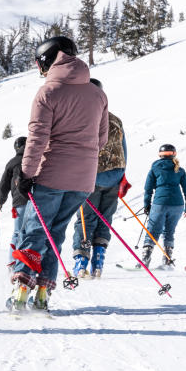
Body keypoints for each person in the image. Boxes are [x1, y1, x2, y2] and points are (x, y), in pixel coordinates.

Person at [9, 36, 110, 311]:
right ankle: (42, 295)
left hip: (52, 174)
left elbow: (37, 138)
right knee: (55, 234)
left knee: (34, 231)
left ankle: (21, 290)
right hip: (83, 180)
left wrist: (26, 174)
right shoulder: (97, 94)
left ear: (47, 59)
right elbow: (101, 140)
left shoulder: (48, 92)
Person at [70, 78, 127, 278]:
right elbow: (123, 149)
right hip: (115, 174)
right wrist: (122, 175)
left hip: (91, 176)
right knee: (105, 218)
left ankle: (81, 261)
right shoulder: (115, 119)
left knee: (86, 219)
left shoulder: (82, 117)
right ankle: (99, 258)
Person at [142, 144, 186, 269]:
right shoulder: (179, 170)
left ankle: (145, 260)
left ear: (160, 155)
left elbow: (148, 189)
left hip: (160, 203)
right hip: (177, 205)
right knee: (169, 231)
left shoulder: (155, 168)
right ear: (174, 154)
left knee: (153, 230)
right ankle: (167, 260)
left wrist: (147, 205)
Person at [0, 136, 29, 254]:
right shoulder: (37, 158)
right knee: (34, 232)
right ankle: (31, 262)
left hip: (20, 201)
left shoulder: (13, 162)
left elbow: (3, 185)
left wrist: (1, 200)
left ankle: (13, 262)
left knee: (18, 232)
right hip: (37, 201)